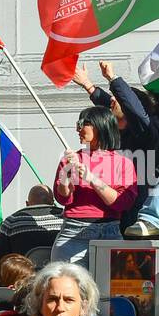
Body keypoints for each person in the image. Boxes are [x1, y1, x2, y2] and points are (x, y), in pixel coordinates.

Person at [73, 61, 159, 239]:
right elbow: (112, 106)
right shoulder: (121, 131)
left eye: (117, 99)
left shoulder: (149, 132)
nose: (111, 100)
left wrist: (113, 78)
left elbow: (132, 109)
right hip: (121, 213)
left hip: (144, 216)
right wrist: (88, 85)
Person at [51, 107, 137, 267]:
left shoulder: (123, 163)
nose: (78, 128)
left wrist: (91, 179)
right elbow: (63, 198)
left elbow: (122, 202)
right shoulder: (71, 159)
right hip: (73, 233)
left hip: (110, 233)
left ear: (100, 125)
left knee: (111, 291)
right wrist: (66, 174)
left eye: (83, 123)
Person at [0, 186, 65, 268]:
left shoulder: (12, 221)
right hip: (59, 275)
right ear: (52, 202)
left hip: (24, 277)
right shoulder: (65, 219)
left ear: (27, 204)